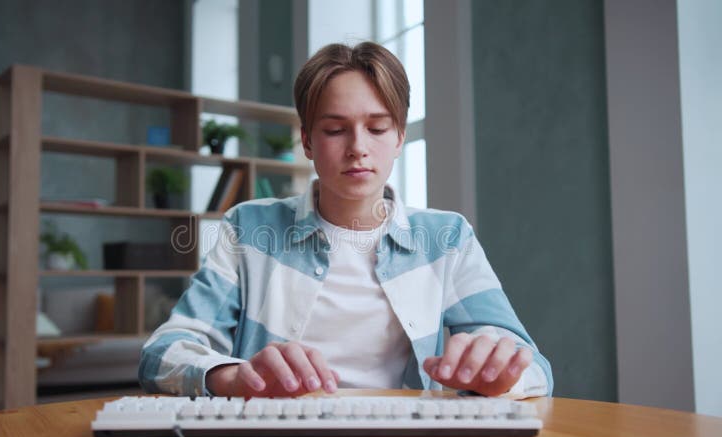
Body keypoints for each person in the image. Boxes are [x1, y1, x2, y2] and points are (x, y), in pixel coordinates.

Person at [139, 42, 553, 399]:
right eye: (336, 130)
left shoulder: (447, 238)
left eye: (376, 128)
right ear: (306, 141)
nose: (358, 148)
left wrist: (502, 374)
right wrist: (236, 378)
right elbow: (164, 352)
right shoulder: (248, 228)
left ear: (399, 138)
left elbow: (534, 366)